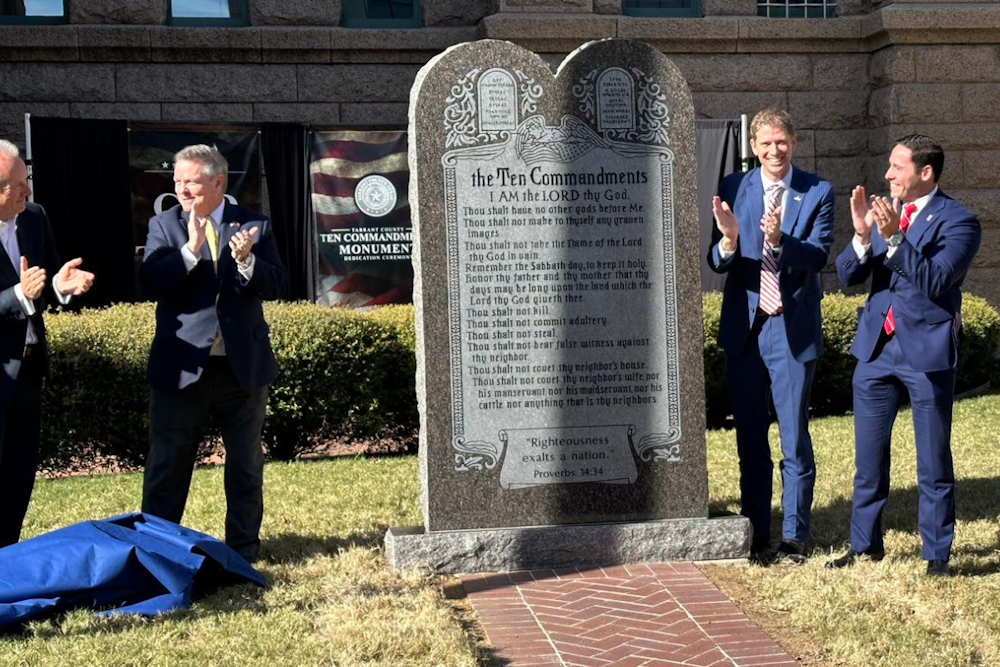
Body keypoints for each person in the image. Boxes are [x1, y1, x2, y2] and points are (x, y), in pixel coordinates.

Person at [828, 135, 980, 577]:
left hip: (926, 351)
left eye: (897, 167)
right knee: (868, 458)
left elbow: (936, 280)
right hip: (877, 350)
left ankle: (936, 556)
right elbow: (847, 276)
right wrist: (860, 236)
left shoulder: (960, 222)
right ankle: (864, 547)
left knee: (933, 460)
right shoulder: (882, 215)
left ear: (925, 173)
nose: (888, 174)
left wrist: (894, 236)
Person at [140, 144, 286, 563]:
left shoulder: (255, 225)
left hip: (241, 368)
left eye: (192, 182)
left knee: (244, 465)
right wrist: (188, 252)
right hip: (182, 368)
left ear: (218, 182)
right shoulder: (164, 225)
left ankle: (243, 549)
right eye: (178, 182)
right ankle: (158, 550)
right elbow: (151, 280)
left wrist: (246, 261)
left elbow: (277, 283)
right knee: (168, 465)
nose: (183, 190)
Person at [707, 109, 834, 563]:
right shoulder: (732, 188)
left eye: (782, 142)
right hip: (745, 327)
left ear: (794, 142)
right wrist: (726, 242)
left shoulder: (817, 191)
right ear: (754, 147)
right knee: (750, 436)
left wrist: (780, 241)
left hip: (790, 327)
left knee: (794, 436)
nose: (774, 150)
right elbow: (717, 261)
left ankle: (795, 536)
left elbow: (818, 257)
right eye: (766, 143)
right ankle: (757, 529)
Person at [0, 139, 95, 547]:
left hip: (28, 370)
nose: (28, 191)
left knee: (18, 476)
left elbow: (47, 279)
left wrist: (60, 285)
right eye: (16, 185)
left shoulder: (34, 218)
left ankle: (8, 564)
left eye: (27, 179)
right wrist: (18, 296)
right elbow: (22, 294)